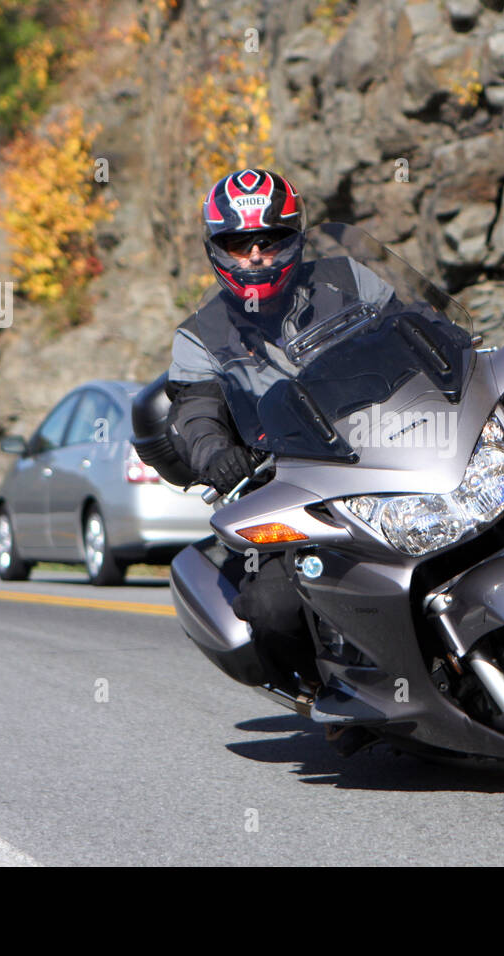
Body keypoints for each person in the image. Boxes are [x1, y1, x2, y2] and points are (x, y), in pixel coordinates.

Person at [156, 168, 397, 697]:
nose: (257, 255)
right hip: (287, 482)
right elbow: (196, 411)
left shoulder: (349, 281)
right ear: (217, 250)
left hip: (388, 447)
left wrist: (466, 355)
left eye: (270, 239)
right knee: (272, 606)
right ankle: (320, 687)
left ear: (297, 237)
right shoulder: (200, 337)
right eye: (240, 244)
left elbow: (419, 329)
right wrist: (215, 454)